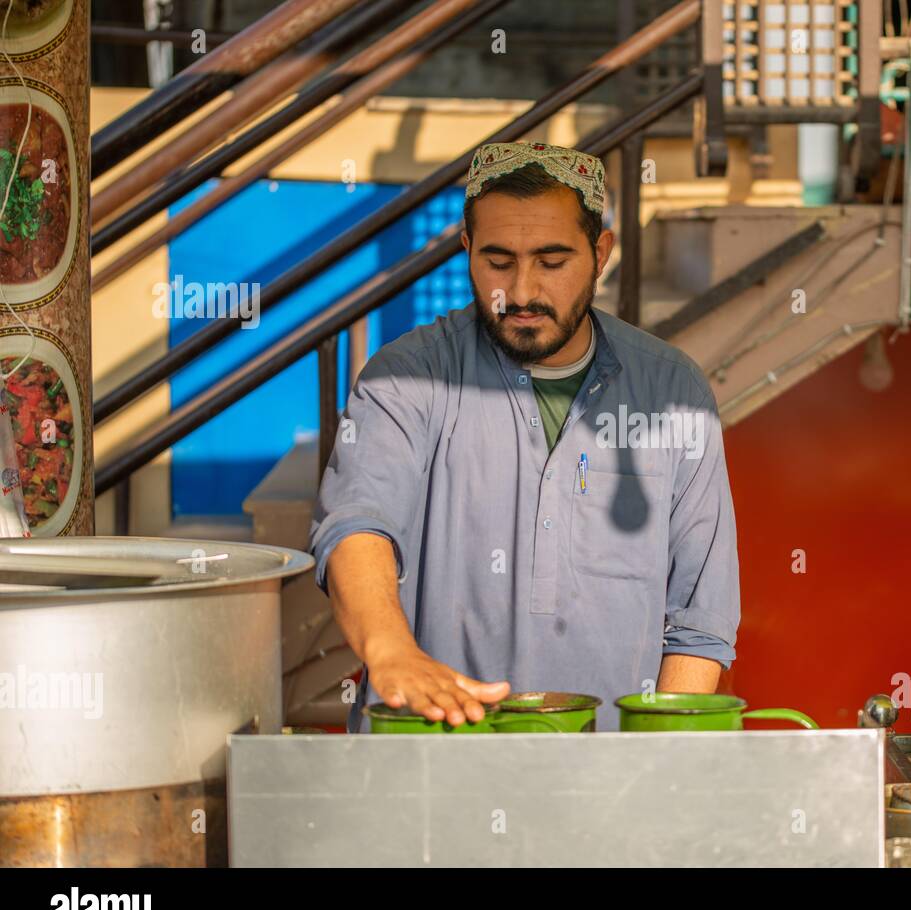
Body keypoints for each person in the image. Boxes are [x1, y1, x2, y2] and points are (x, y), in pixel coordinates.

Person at [309, 141, 740, 731]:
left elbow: (698, 619)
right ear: (466, 250)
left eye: (553, 261)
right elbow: (356, 525)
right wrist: (391, 652)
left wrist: (656, 762)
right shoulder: (409, 377)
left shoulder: (673, 393)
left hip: (604, 782)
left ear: (601, 252)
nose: (521, 291)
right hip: (431, 760)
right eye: (498, 260)